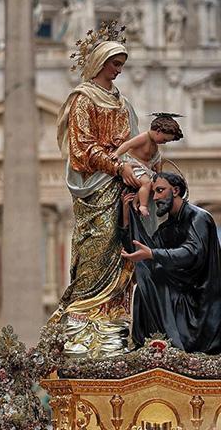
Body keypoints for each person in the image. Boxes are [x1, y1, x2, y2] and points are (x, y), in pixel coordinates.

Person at [46, 29, 142, 358]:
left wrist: (135, 164)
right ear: (100, 62)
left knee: (124, 248)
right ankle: (84, 321)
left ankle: (114, 317)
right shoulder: (83, 100)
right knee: (97, 246)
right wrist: (118, 167)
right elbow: (82, 149)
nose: (118, 70)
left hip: (122, 185)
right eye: (114, 63)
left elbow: (132, 143)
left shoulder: (121, 102)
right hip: (96, 188)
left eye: (121, 64)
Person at [120, 172, 221, 356]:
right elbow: (143, 250)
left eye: (160, 191)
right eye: (154, 193)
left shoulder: (199, 218)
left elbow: (192, 252)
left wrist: (153, 254)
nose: (155, 198)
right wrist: (127, 215)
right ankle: (150, 346)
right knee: (147, 279)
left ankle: (169, 347)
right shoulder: (166, 228)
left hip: (204, 302)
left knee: (154, 280)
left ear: (176, 190)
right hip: (183, 294)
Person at [113, 115, 183, 218]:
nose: (164, 143)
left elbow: (156, 161)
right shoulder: (144, 137)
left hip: (146, 169)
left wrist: (159, 176)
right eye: (164, 140)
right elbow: (127, 145)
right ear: (158, 131)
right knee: (146, 183)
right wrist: (116, 154)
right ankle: (143, 206)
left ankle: (135, 201)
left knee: (155, 185)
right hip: (135, 165)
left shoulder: (155, 145)